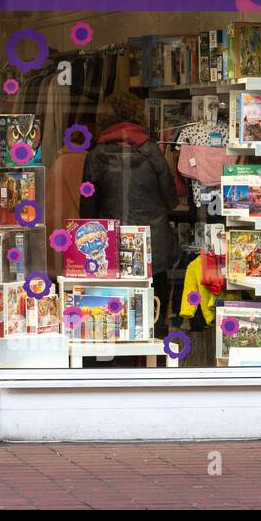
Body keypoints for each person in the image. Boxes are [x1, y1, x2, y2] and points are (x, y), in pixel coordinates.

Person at [79, 90, 179, 338]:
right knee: (154, 314)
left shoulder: (95, 157)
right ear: (136, 117)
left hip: (111, 248)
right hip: (153, 248)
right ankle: (155, 362)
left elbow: (88, 212)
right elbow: (171, 199)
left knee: (113, 317)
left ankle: (118, 364)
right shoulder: (152, 152)